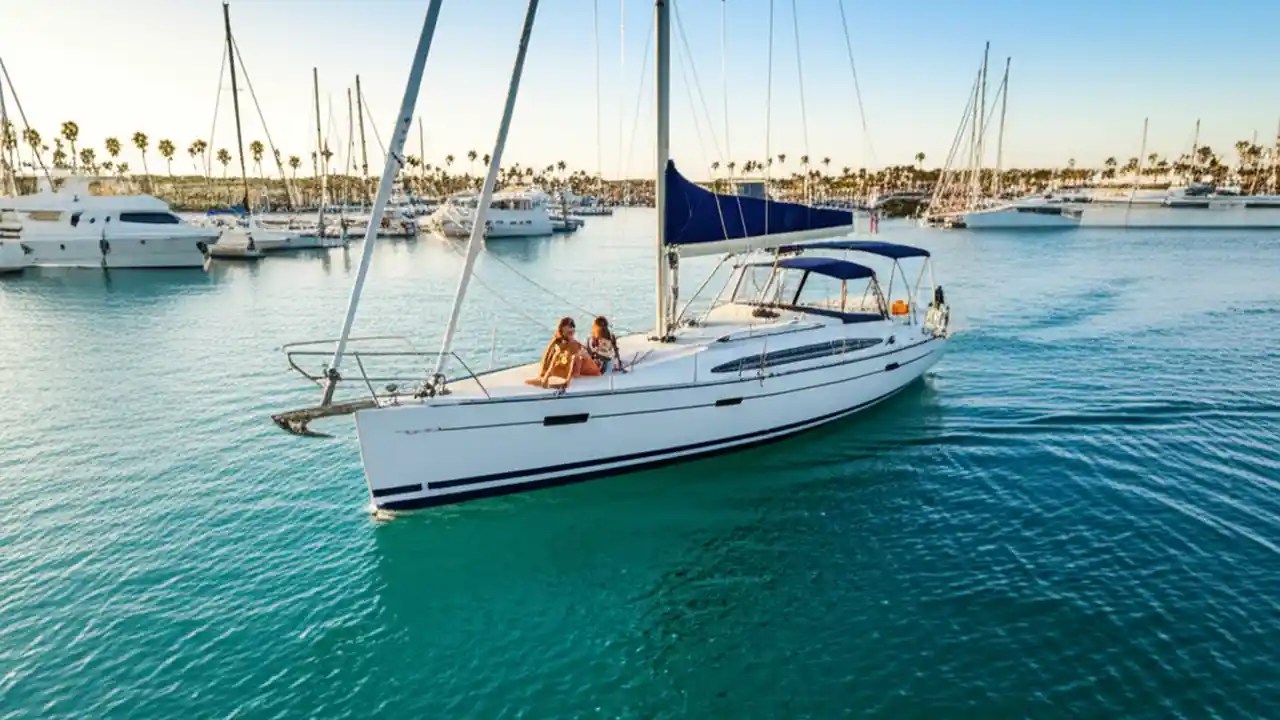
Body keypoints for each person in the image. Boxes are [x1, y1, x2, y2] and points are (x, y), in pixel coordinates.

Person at [527, 316, 601, 388]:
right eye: (569, 329)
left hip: (589, 370)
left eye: (572, 327)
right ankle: (544, 378)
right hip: (574, 365)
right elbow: (548, 356)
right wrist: (543, 375)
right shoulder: (557, 342)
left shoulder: (574, 345)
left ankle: (559, 380)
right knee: (557, 355)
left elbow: (575, 362)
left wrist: (567, 381)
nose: (572, 329)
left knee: (574, 356)